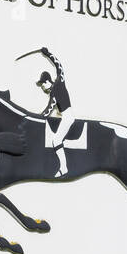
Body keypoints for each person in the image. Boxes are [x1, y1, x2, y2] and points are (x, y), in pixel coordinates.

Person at [36, 48, 75, 178]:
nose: (43, 88)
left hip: (67, 117)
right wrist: (48, 54)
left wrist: (37, 117)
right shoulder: (60, 82)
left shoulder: (55, 90)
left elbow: (49, 109)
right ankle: (63, 167)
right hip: (67, 116)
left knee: (56, 141)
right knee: (56, 140)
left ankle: (64, 168)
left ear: (47, 81)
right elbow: (59, 66)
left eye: (42, 85)